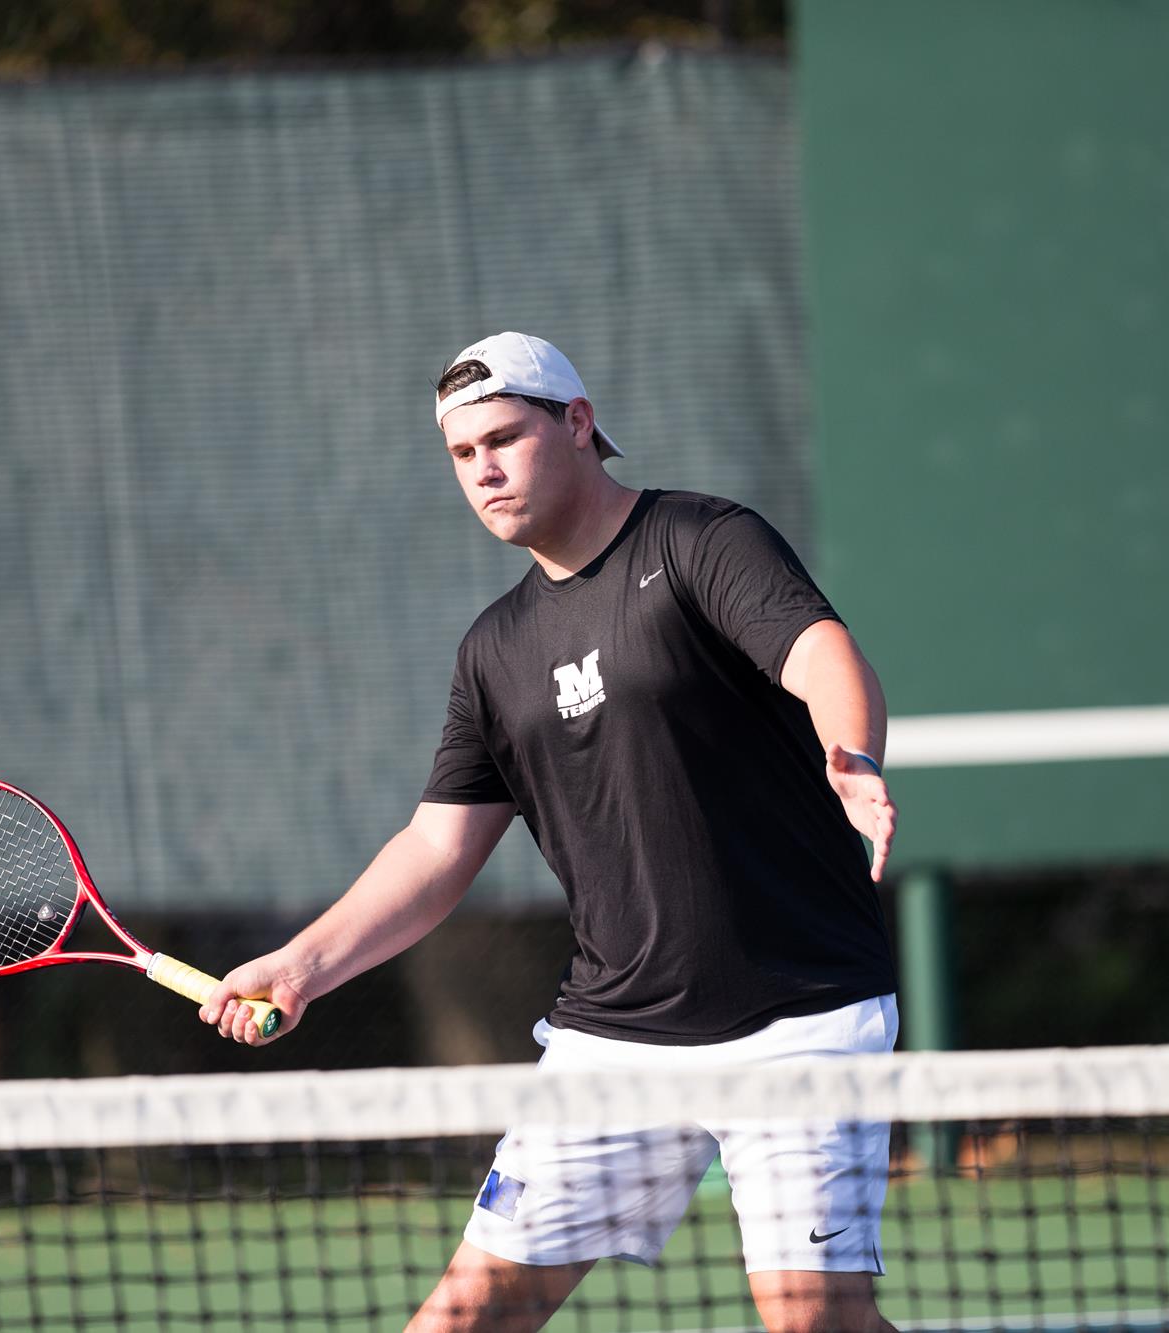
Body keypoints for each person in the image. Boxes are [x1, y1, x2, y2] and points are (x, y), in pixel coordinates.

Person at [200, 332, 900, 1333]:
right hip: (612, 1041)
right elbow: (438, 850)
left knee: (811, 1323)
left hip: (798, 1019)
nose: (482, 468)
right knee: (459, 1321)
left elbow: (818, 652)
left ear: (576, 424)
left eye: (502, 438)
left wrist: (851, 755)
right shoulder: (494, 651)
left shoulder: (700, 542)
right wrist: (304, 962)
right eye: (459, 454)